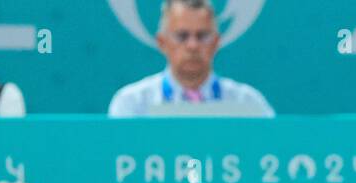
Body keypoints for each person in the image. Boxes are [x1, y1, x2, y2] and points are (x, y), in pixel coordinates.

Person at [108, 0, 274, 117]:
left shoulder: (249, 104)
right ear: (162, 42)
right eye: (182, 36)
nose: (192, 46)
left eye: (202, 36)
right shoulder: (132, 105)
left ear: (216, 42)